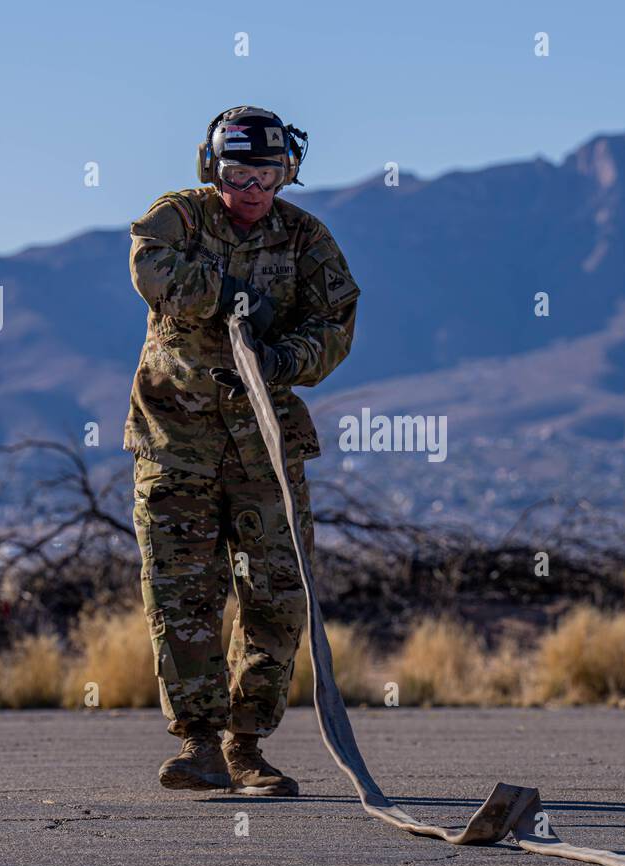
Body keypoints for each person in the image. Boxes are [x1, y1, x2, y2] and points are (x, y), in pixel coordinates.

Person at [124, 106, 360, 796]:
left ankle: (245, 746)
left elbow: (336, 323)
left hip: (265, 451)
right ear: (211, 168)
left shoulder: (306, 239)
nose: (252, 188)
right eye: (237, 173)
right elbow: (149, 264)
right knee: (182, 597)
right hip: (176, 450)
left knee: (278, 599)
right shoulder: (180, 218)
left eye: (267, 173)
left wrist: (283, 356)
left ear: (288, 174)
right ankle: (197, 743)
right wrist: (225, 296)